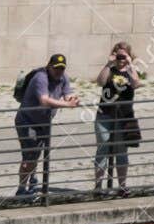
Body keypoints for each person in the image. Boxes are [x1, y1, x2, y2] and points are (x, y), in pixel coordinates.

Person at [15, 53, 80, 197]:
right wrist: (67, 105)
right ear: (49, 66)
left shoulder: (63, 77)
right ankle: (21, 190)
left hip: (43, 122)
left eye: (62, 68)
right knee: (29, 156)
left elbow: (67, 93)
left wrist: (72, 98)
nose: (59, 71)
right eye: (56, 68)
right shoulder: (40, 78)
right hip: (27, 121)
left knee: (35, 154)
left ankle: (32, 180)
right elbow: (44, 100)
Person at [95, 41, 141, 197]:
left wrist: (130, 65)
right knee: (103, 149)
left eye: (124, 55)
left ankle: (122, 186)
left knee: (122, 151)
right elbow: (100, 81)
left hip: (124, 117)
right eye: (118, 54)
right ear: (114, 54)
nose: (121, 58)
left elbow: (136, 84)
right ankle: (98, 187)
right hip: (105, 114)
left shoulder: (131, 70)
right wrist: (108, 64)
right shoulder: (110, 69)